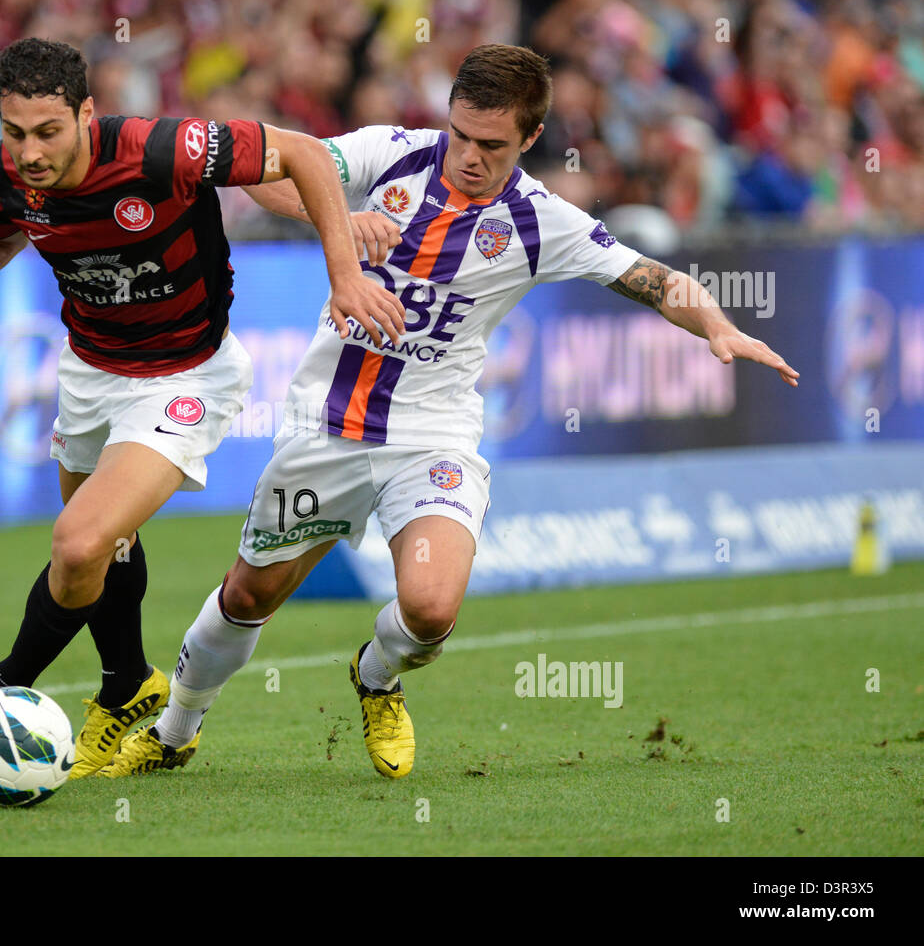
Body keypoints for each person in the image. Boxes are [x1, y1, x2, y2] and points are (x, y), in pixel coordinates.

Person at [99, 43, 800, 779]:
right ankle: (175, 731)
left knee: (430, 608)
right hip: (324, 427)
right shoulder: (390, 154)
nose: (467, 155)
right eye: (460, 134)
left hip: (431, 437)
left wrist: (717, 323)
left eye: (491, 145)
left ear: (529, 138)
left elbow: (647, 276)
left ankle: (376, 676)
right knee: (248, 593)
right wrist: (339, 220)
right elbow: (270, 172)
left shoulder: (539, 220)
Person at [0, 38, 404, 779]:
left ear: (87, 114)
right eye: (14, 131)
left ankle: (5, 684)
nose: (28, 151)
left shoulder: (164, 150)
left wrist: (344, 273)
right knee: (107, 550)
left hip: (186, 377)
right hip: (88, 369)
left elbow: (306, 156)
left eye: (48, 131)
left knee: (79, 543)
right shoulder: (7, 173)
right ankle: (126, 684)